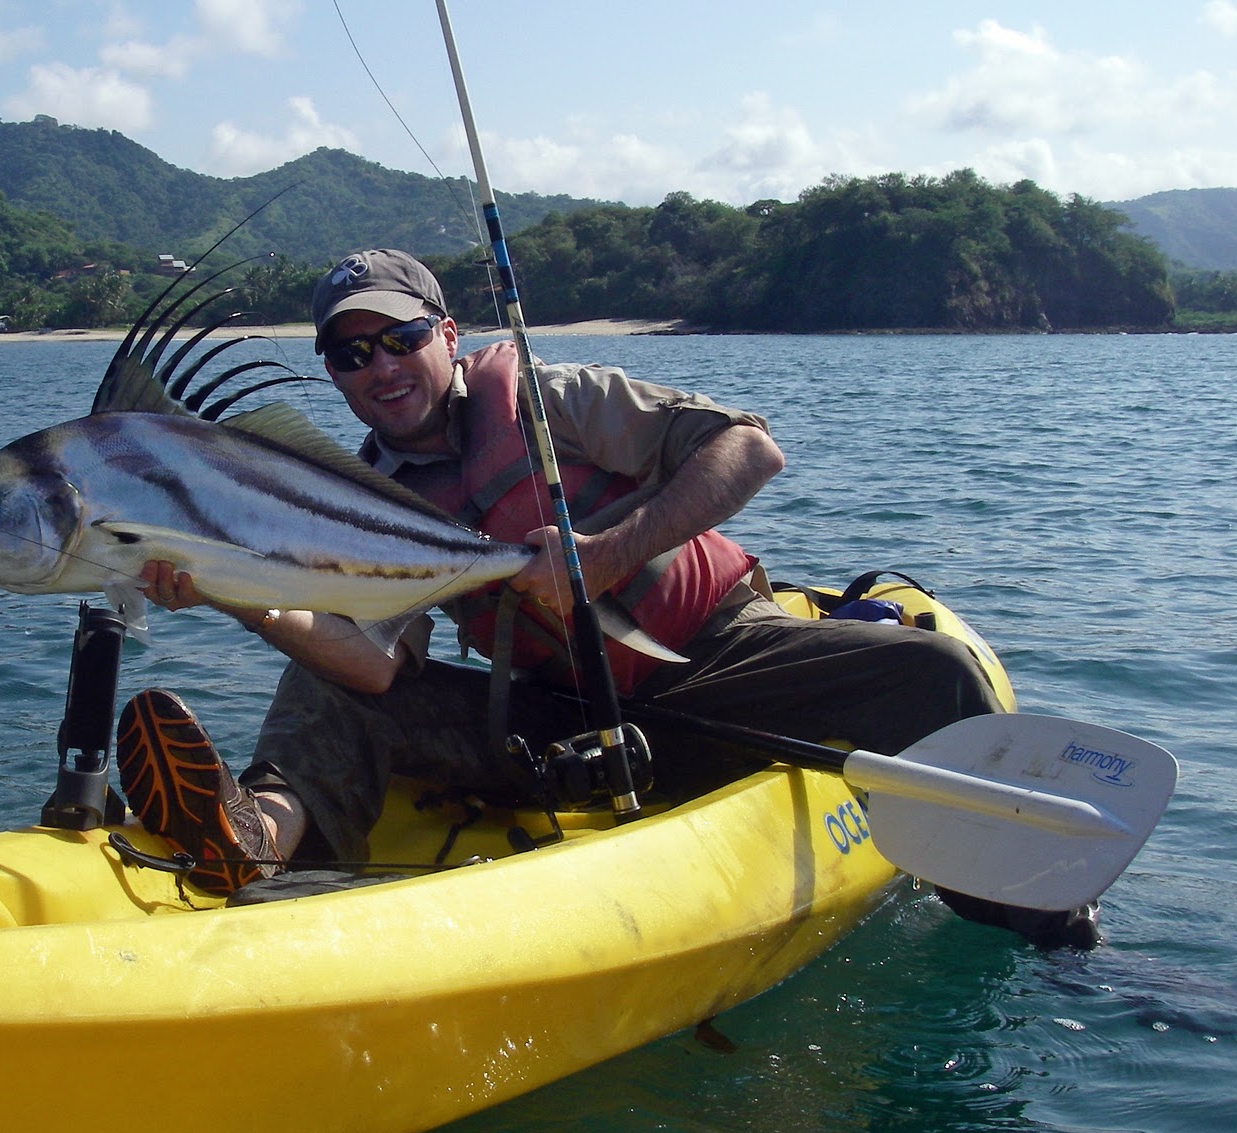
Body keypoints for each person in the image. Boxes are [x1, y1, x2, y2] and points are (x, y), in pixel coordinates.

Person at [116, 248, 1094, 948]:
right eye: (348, 355)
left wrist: (615, 550)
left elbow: (748, 445)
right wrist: (227, 585)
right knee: (335, 685)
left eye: (399, 337)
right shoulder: (364, 496)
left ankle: (1043, 919)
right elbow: (372, 660)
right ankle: (263, 832)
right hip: (570, 717)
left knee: (936, 673)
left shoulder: (551, 399)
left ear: (447, 334)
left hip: (722, 657)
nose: (378, 369)